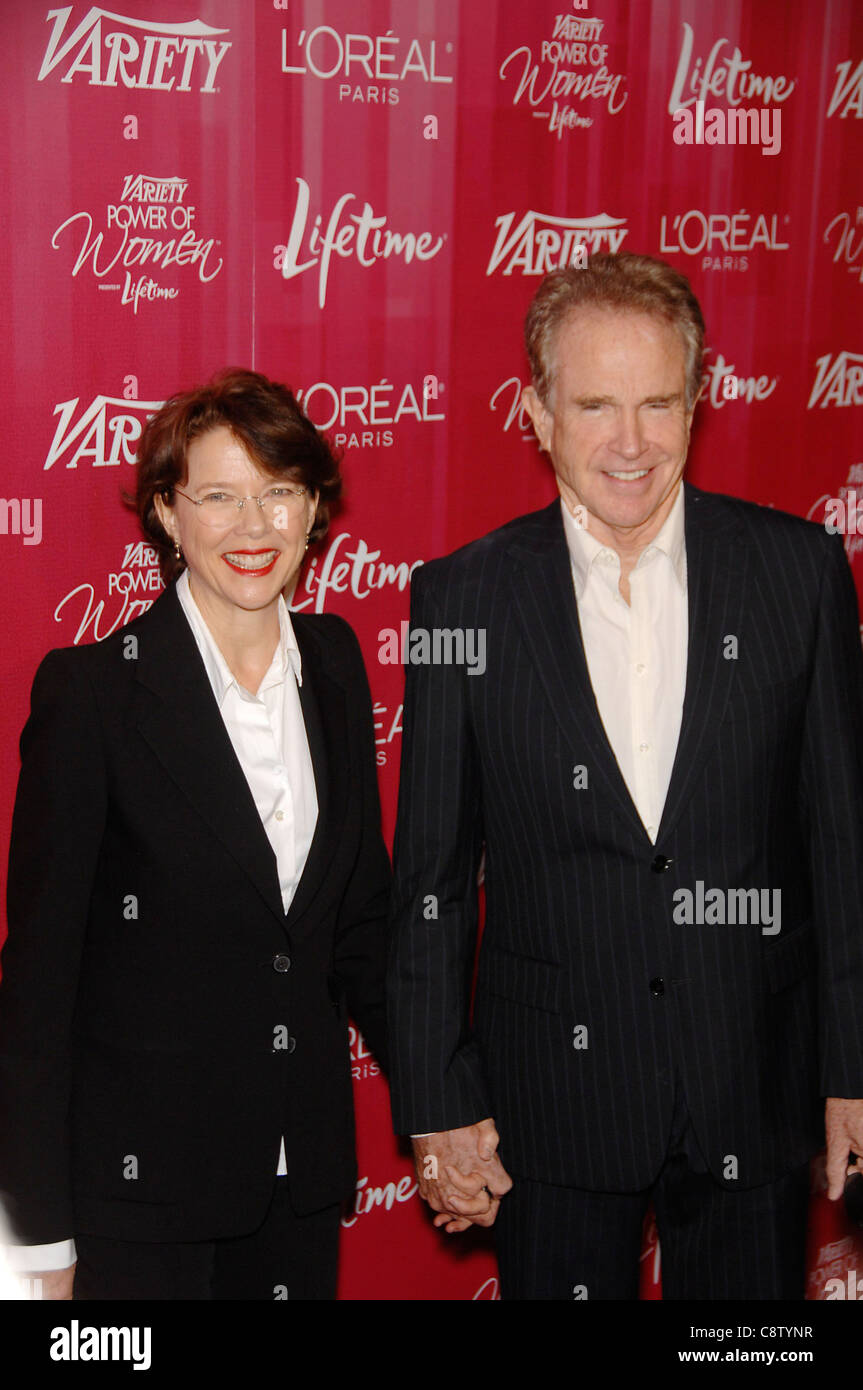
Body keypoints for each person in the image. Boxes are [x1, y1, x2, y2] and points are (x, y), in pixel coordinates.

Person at [387, 253, 863, 1299]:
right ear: (535, 411)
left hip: (753, 1077)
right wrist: (431, 1097)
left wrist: (850, 1065)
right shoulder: (456, 600)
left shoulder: (798, 573)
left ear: (697, 400)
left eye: (657, 401)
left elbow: (840, 842)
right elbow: (427, 878)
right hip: (546, 1102)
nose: (631, 441)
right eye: (595, 405)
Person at [0, 367, 391, 1300]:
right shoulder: (94, 695)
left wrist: (446, 1108)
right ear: (169, 517)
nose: (253, 529)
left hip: (298, 1184)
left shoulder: (335, 665)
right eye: (218, 497)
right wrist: (37, 1244)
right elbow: (39, 990)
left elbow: (362, 929)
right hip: (141, 1206)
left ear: (311, 510)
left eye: (278, 494)